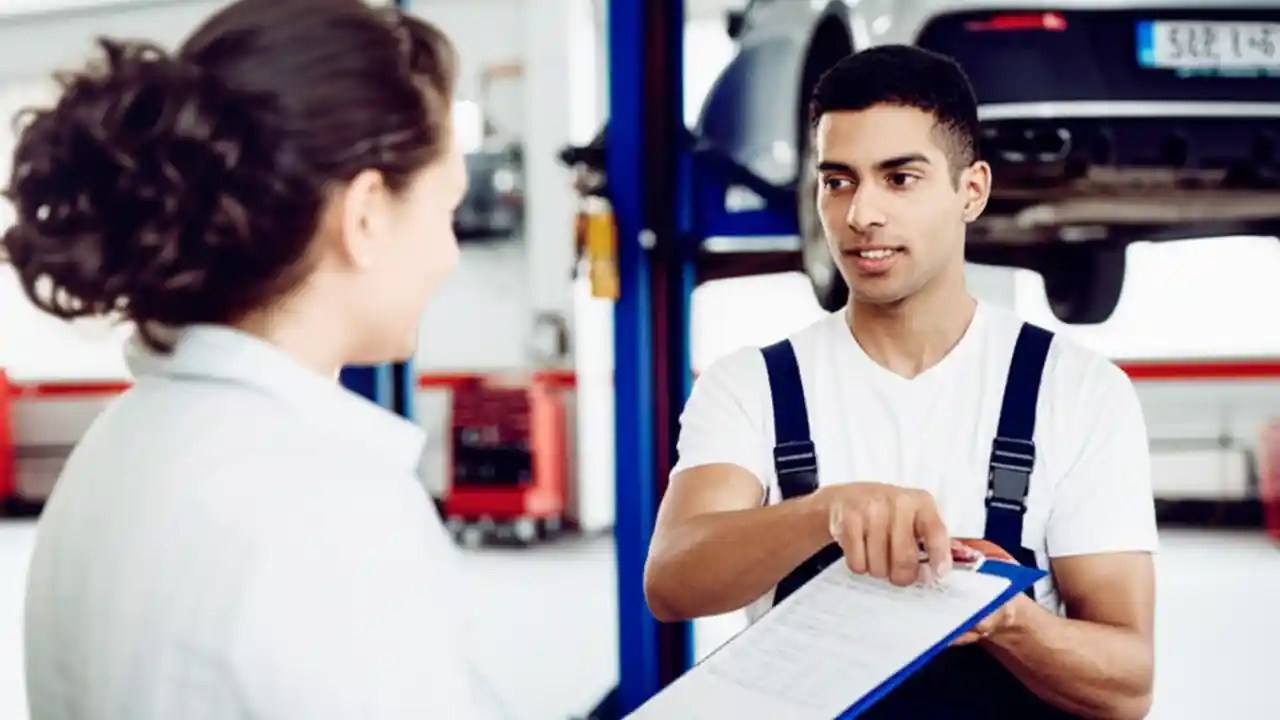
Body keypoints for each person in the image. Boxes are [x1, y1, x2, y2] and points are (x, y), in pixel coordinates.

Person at [5, 1, 502, 717]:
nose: (448, 254)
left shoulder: (116, 443)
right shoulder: (331, 505)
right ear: (364, 216)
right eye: (444, 212)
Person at [644, 45, 1157, 719]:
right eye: (838, 181)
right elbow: (673, 580)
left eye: (899, 178)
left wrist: (1007, 621)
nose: (861, 214)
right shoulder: (752, 385)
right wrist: (822, 512)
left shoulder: (1079, 391)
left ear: (971, 190)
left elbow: (1128, 686)